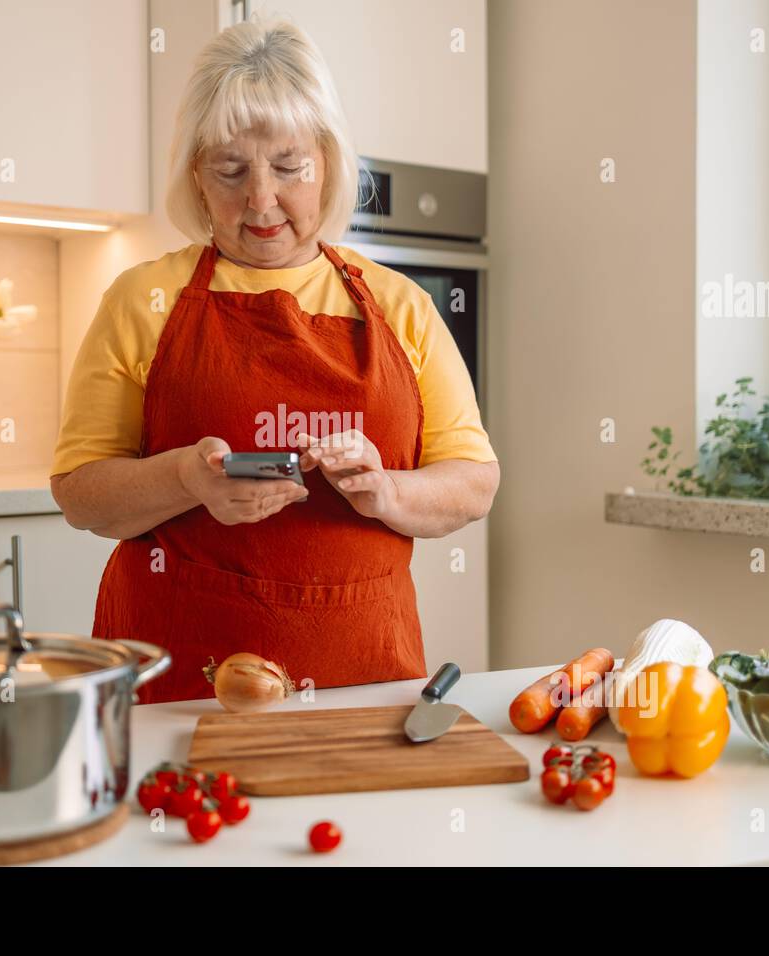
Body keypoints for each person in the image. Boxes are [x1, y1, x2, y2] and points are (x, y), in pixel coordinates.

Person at [50, 18, 498, 703]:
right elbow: (81, 492)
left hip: (366, 682)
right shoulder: (144, 299)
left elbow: (474, 483)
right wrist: (185, 479)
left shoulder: (399, 306)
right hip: (181, 686)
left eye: (289, 167)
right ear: (196, 178)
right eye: (230, 170)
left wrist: (388, 492)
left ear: (329, 165)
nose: (260, 199)